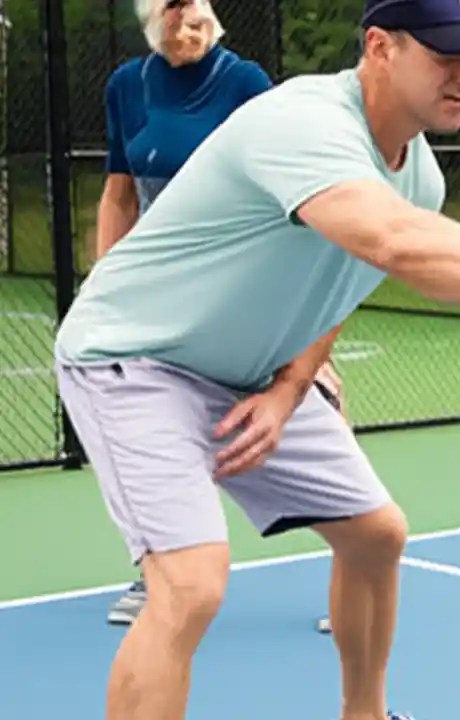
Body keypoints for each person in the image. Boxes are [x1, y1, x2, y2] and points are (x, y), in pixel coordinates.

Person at [52, 0, 460, 718]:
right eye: (447, 53)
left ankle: (365, 713)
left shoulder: (419, 177)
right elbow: (395, 244)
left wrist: (291, 384)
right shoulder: (304, 122)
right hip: (131, 358)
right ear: (380, 46)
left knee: (375, 537)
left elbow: (340, 278)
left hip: (243, 372)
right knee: (192, 582)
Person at [98, 0, 281, 626]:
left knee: (313, 402)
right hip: (156, 292)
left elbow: (282, 184)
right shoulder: (128, 85)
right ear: (152, 21)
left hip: (243, 281)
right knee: (153, 427)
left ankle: (358, 567)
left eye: (198, 10)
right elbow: (119, 196)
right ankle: (161, 573)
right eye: (176, 13)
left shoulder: (246, 83)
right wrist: (108, 284)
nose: (191, 24)